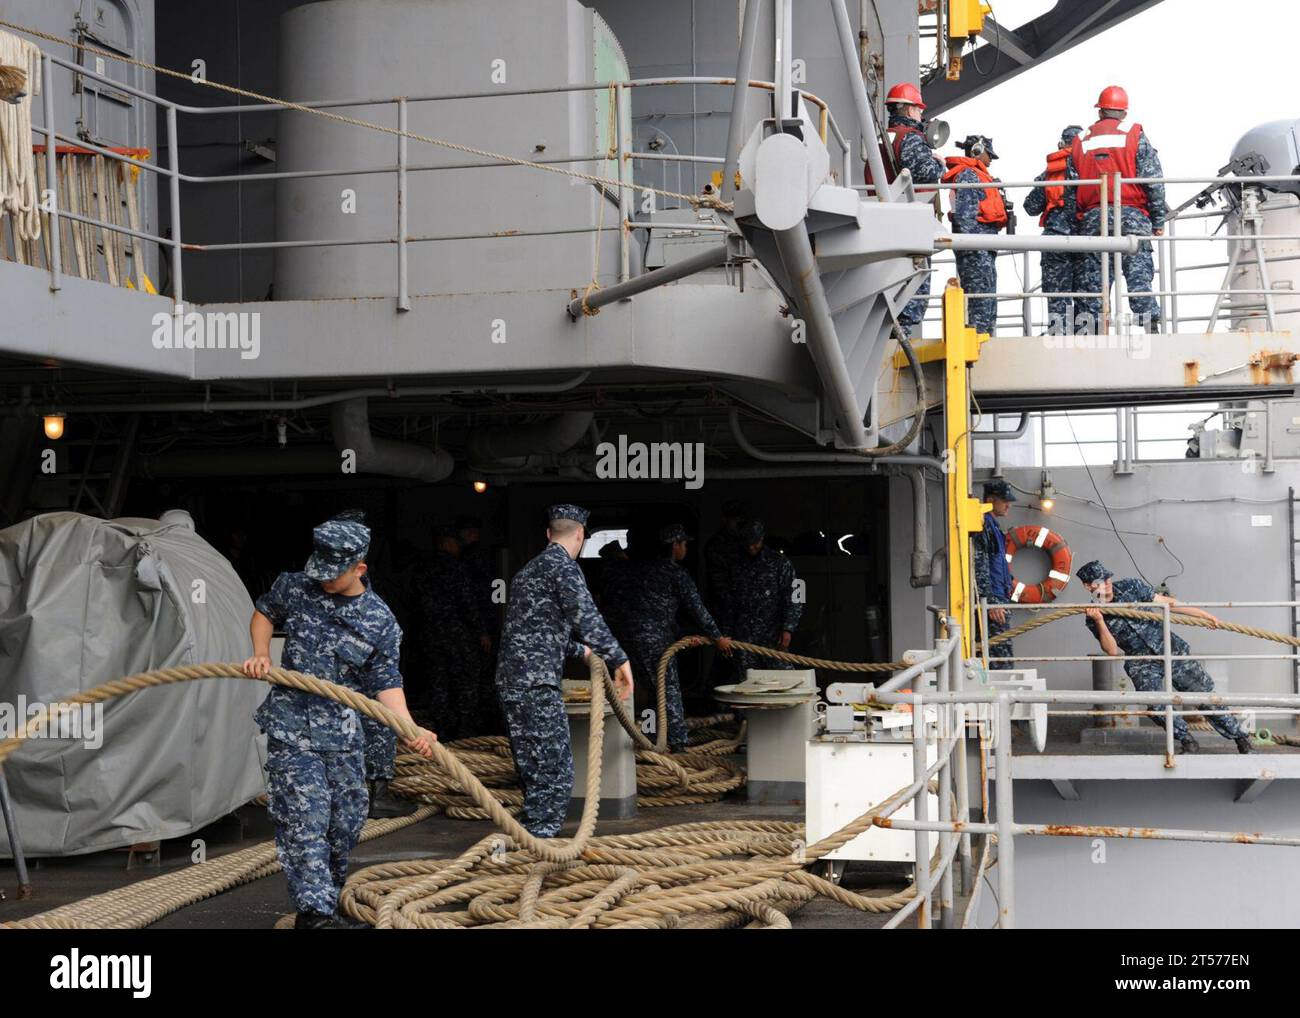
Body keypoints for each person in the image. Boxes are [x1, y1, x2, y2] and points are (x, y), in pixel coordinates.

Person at [242, 519, 435, 929]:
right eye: (319, 570)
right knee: (305, 816)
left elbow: (387, 682)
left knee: (346, 821)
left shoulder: (379, 621)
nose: (323, 580)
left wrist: (410, 729)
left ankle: (324, 906)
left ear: (359, 569)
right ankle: (313, 915)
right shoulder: (294, 586)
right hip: (292, 729)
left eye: (333, 574)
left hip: (344, 736)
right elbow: (263, 612)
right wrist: (261, 652)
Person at [495, 504, 634, 837]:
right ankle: (538, 850)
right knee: (555, 776)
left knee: (534, 774)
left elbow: (531, 631)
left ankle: (528, 844)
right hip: (538, 686)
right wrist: (619, 659)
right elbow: (586, 617)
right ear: (581, 534)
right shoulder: (564, 568)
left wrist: (581, 651)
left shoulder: (527, 571)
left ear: (548, 534)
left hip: (511, 684)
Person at [1077, 560, 1252, 754]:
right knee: (1154, 702)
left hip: (1170, 648)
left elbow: (1168, 604)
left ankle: (1241, 738)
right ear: (1088, 586)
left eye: (1108, 577)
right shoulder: (1092, 614)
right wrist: (1100, 621)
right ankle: (1186, 739)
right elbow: (1111, 651)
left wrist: (1203, 615)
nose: (1107, 583)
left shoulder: (1131, 587)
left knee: (1204, 695)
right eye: (1100, 580)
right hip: (1141, 662)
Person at [604, 523, 734, 751]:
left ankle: (652, 735)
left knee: (651, 690)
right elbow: (697, 609)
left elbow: (654, 610)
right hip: (654, 643)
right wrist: (718, 637)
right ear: (675, 546)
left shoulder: (638, 570)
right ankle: (678, 744)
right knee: (668, 691)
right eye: (683, 544)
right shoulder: (675, 574)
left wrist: (683, 635)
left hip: (628, 640)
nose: (685, 548)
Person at [325, 509, 412, 819]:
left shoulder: (356, 577)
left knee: (379, 720)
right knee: (371, 724)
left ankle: (374, 793)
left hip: (360, 670)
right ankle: (373, 796)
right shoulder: (331, 576)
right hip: (344, 676)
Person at [1069, 86, 1166, 334]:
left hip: (1093, 218)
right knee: (1138, 277)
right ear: (1123, 112)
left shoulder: (1080, 141)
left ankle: (1092, 334)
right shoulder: (1134, 134)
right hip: (1132, 217)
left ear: (1100, 111)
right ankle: (1151, 328)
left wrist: (1078, 220)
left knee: (1094, 281)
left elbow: (1071, 187)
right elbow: (1153, 181)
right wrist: (1158, 220)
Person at [413, 524, 492, 743]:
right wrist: (482, 632)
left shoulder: (423, 568)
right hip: (458, 636)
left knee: (438, 682)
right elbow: (468, 603)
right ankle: (464, 733)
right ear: (448, 542)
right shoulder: (455, 568)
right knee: (465, 682)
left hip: (430, 635)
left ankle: (441, 729)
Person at [880, 82, 945, 336]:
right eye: (918, 109)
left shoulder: (885, 135)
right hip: (909, 221)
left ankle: (892, 330)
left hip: (885, 217)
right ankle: (902, 333)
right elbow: (924, 173)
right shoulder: (910, 138)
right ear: (908, 110)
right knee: (916, 278)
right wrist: (938, 164)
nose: (921, 114)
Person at [942, 135, 1008, 335]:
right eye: (989, 155)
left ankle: (984, 338)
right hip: (976, 249)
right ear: (977, 151)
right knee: (979, 301)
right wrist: (974, 247)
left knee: (986, 298)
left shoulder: (977, 176)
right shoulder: (969, 176)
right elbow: (965, 217)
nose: (990, 161)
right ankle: (977, 340)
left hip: (983, 247)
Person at [1023, 125, 1083, 334]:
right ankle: (1088, 335)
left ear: (1062, 143)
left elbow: (1030, 207)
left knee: (1058, 294)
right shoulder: (1090, 168)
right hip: (1086, 238)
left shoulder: (1050, 172)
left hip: (1055, 238)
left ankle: (1059, 335)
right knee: (1088, 294)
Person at [725, 519, 803, 676]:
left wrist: (788, 628)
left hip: (773, 636)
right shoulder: (736, 566)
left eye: (754, 542)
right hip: (744, 637)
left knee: (785, 679)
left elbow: (797, 597)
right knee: (748, 683)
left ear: (761, 539)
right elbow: (729, 602)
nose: (751, 547)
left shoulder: (781, 563)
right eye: (747, 543)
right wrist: (726, 632)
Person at [972, 479, 1016, 669]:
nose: (1009, 505)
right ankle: (997, 697)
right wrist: (989, 601)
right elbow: (980, 565)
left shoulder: (993, 527)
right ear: (990, 500)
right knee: (998, 658)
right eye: (1004, 500)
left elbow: (996, 564)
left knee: (1002, 654)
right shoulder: (983, 526)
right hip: (993, 602)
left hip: (1000, 598)